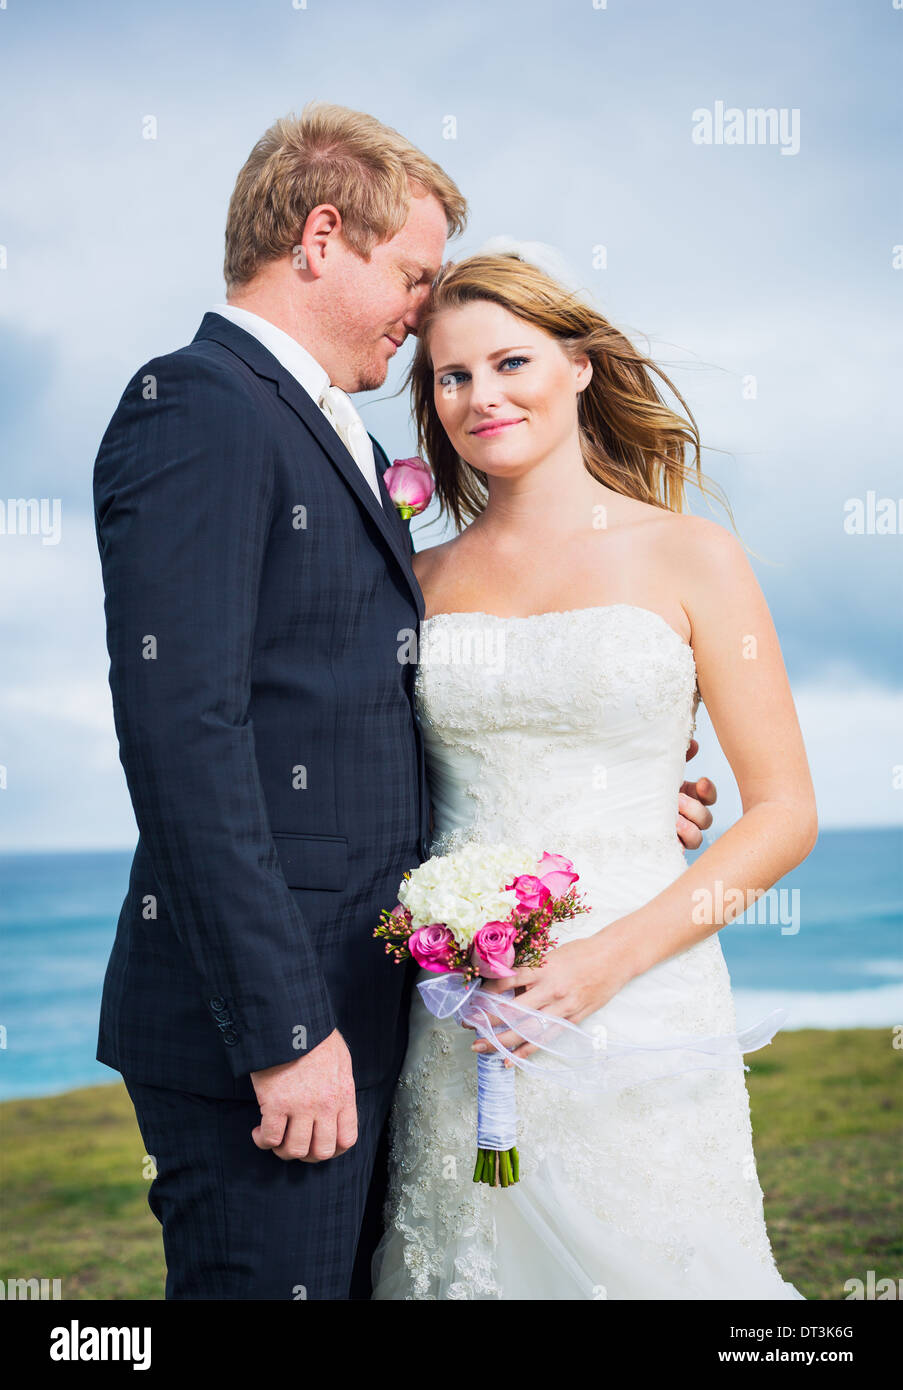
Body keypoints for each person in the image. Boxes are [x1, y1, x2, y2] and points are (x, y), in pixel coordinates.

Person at [92, 103, 717, 1300]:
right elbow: (186, 735)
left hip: (391, 1012)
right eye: (416, 277)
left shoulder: (319, 432)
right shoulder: (200, 406)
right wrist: (283, 1034)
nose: (426, 312)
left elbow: (373, 708)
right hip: (275, 1032)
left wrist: (619, 799)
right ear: (322, 235)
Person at [370, 248, 817, 1299]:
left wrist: (602, 963)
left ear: (577, 363)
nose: (483, 396)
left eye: (511, 361)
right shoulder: (415, 581)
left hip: (642, 1001)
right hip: (466, 1010)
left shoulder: (693, 556)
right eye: (452, 376)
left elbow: (787, 812)